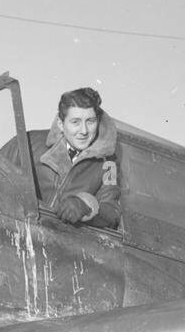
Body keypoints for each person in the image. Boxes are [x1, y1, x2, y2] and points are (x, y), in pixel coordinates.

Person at [34, 87, 121, 230]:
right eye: (75, 122)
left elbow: (112, 211)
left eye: (90, 121)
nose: (84, 131)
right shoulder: (28, 143)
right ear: (61, 124)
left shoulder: (109, 164)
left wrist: (86, 205)